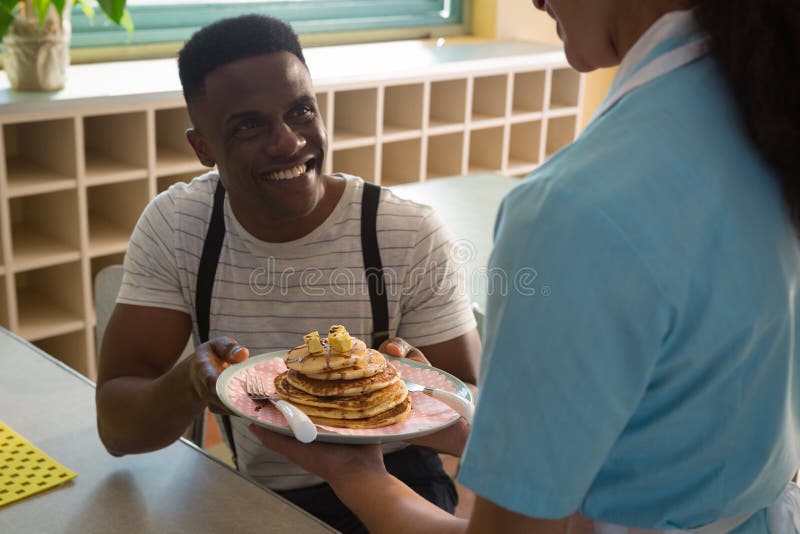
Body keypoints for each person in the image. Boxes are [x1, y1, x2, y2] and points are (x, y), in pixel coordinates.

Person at [249, 0, 800, 532]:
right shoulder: (762, 111)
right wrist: (482, 424)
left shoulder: (570, 209)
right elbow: (679, 402)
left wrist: (356, 474)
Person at [94, 14, 481, 534]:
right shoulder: (179, 226)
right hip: (253, 493)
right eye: (248, 125)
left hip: (398, 484)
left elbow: (474, 421)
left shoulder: (404, 232)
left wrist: (404, 393)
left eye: (300, 110)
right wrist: (190, 384)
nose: (287, 142)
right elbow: (117, 431)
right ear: (203, 148)